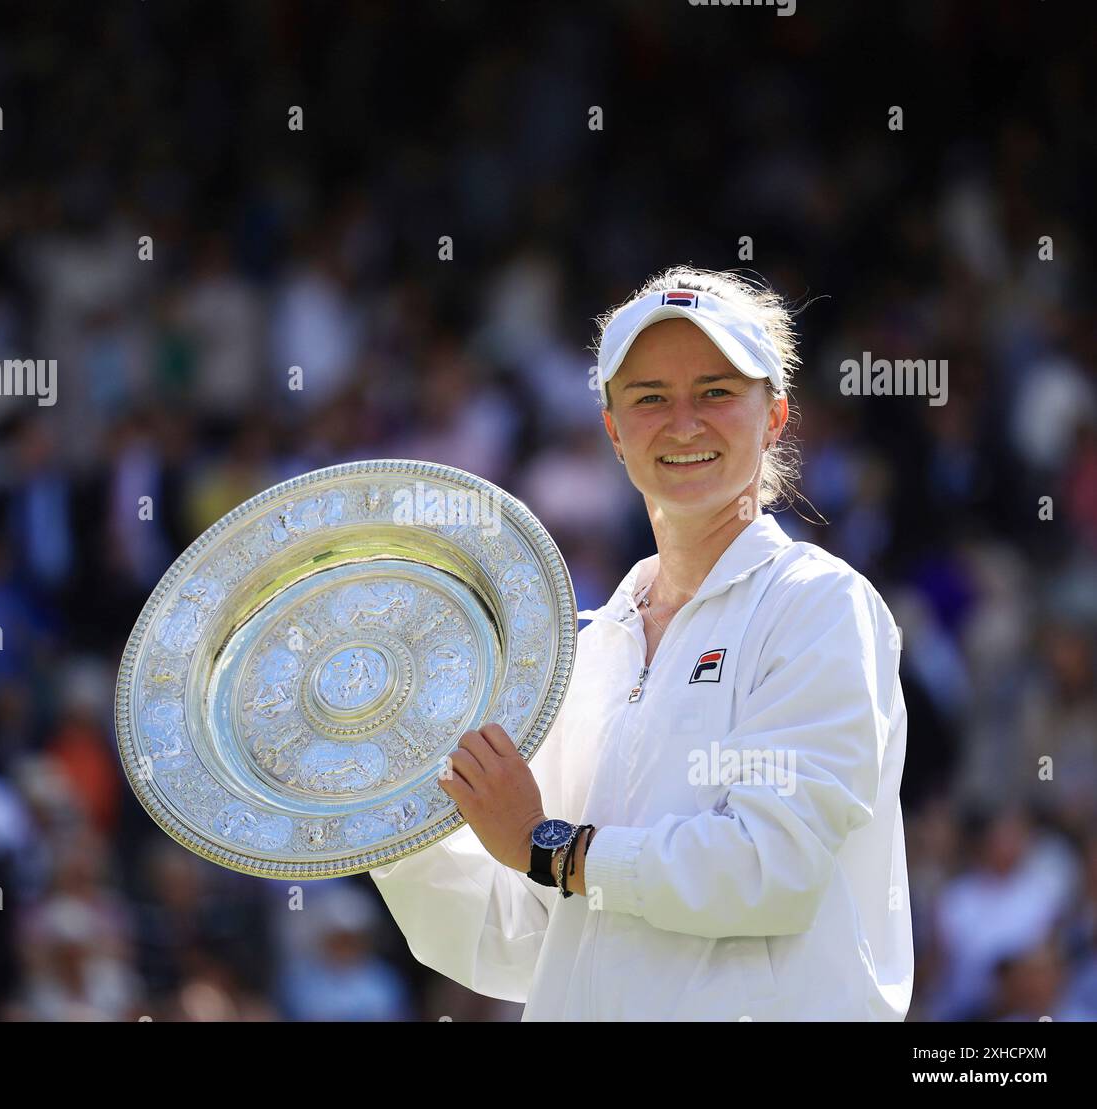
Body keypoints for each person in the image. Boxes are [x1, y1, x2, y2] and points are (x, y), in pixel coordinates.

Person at [370, 267, 913, 1020]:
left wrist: (549, 844)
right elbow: (522, 937)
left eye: (717, 392)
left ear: (777, 416)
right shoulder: (588, 648)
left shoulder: (820, 606)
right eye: (650, 397)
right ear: (614, 431)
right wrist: (382, 813)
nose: (683, 423)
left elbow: (769, 868)